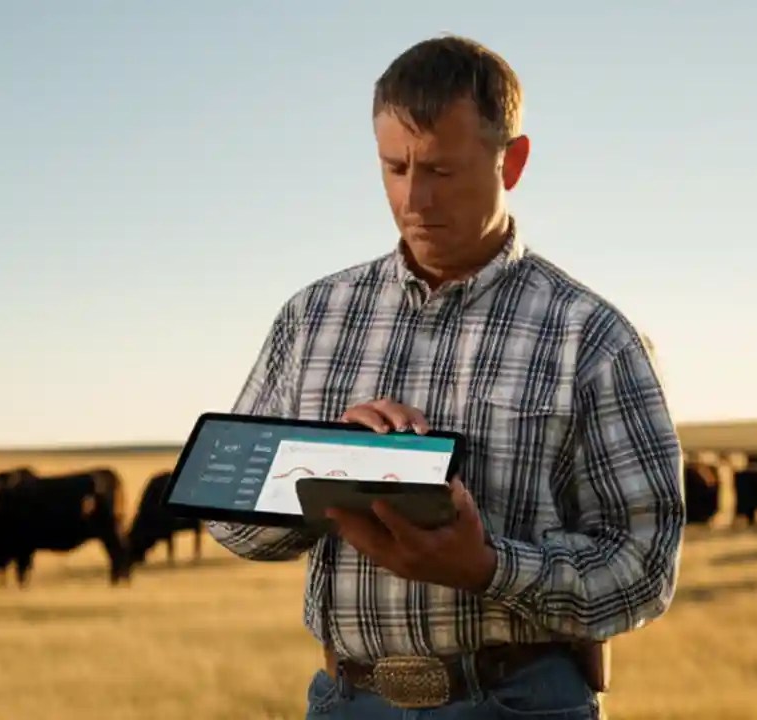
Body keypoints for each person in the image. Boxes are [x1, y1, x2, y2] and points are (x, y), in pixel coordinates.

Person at [206, 34, 685, 720]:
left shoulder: (594, 336)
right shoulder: (311, 318)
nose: (414, 198)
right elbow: (231, 523)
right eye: (394, 167)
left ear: (510, 160)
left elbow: (642, 568)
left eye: (441, 170)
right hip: (347, 702)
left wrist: (487, 567)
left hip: (520, 702)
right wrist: (321, 463)